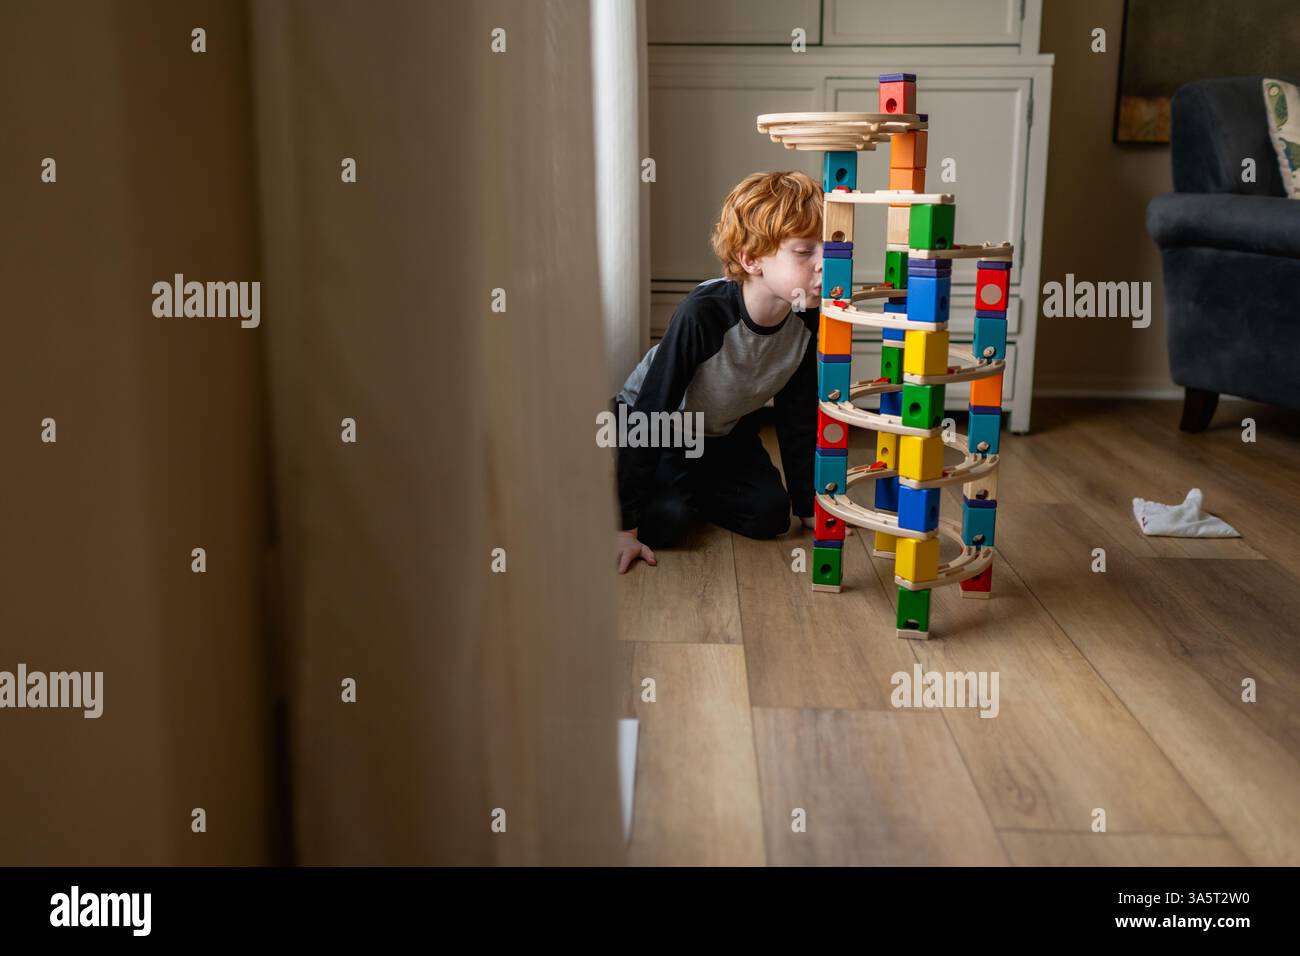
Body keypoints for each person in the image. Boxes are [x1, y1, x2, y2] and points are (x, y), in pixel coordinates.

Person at [614, 170, 826, 573]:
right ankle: (634, 481)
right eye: (804, 252)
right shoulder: (704, 313)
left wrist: (808, 505)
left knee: (770, 517)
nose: (823, 265)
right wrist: (624, 526)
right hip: (659, 426)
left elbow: (796, 415)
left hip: (723, 435)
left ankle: (688, 488)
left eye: (828, 250)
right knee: (665, 524)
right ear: (751, 259)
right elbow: (652, 407)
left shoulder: (808, 318)